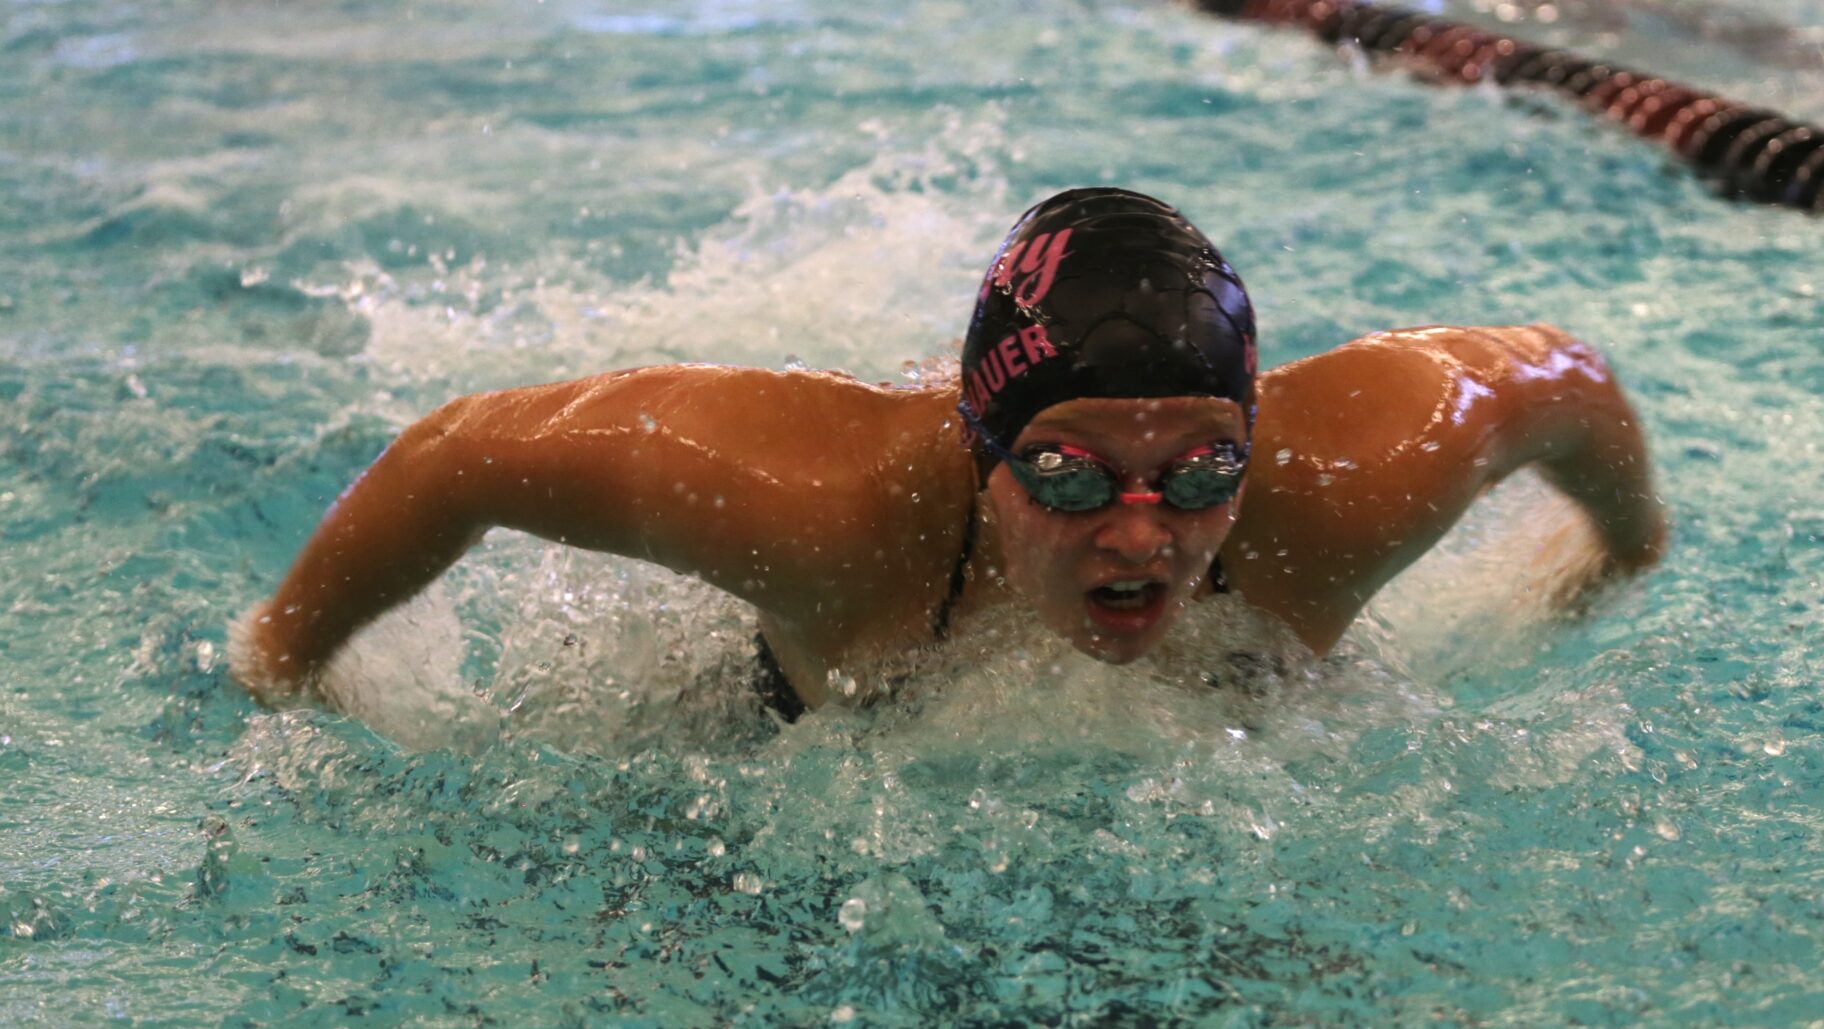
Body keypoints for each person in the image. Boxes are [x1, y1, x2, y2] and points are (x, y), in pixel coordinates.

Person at [230, 187, 1665, 720]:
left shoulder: (1348, 489)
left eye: (1203, 472)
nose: (1143, 532)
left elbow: (1569, 381)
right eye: (1069, 477)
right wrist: (287, 657)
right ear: (981, 450)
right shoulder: (821, 507)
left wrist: (1618, 552)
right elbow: (455, 455)